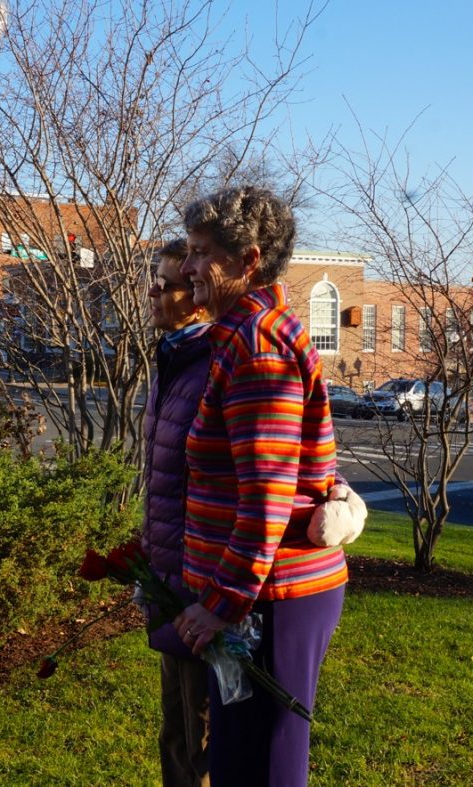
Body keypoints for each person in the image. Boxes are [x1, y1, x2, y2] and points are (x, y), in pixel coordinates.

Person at [172, 186, 348, 787]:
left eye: (201, 252)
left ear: (247, 260)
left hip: (272, 598)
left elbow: (267, 494)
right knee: (238, 764)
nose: (188, 268)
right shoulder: (242, 337)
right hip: (259, 596)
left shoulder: (258, 347)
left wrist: (220, 603)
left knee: (263, 770)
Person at [142, 238, 213, 787]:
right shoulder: (172, 359)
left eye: (166, 285)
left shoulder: (213, 365)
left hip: (203, 587)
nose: (153, 293)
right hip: (170, 575)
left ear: (199, 298)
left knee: (202, 735)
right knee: (175, 730)